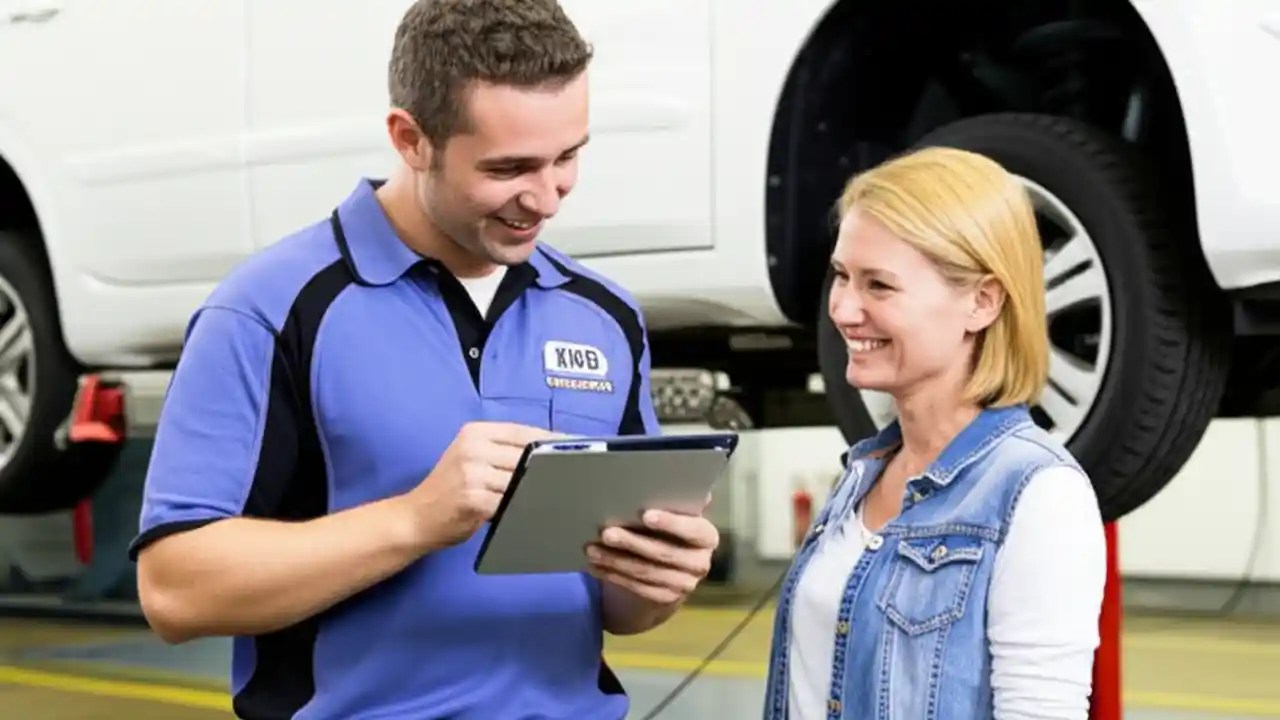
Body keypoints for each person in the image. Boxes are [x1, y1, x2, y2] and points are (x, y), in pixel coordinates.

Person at [128, 1, 720, 718]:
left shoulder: (604, 316)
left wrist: (658, 581)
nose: (546, 197)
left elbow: (617, 610)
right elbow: (174, 592)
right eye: (509, 167)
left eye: (568, 156)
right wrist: (415, 520)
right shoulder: (270, 310)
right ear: (411, 139)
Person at [764, 146, 1107, 719]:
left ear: (981, 301)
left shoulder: (1038, 495)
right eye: (843, 276)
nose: (845, 309)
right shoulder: (862, 477)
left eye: (879, 285)